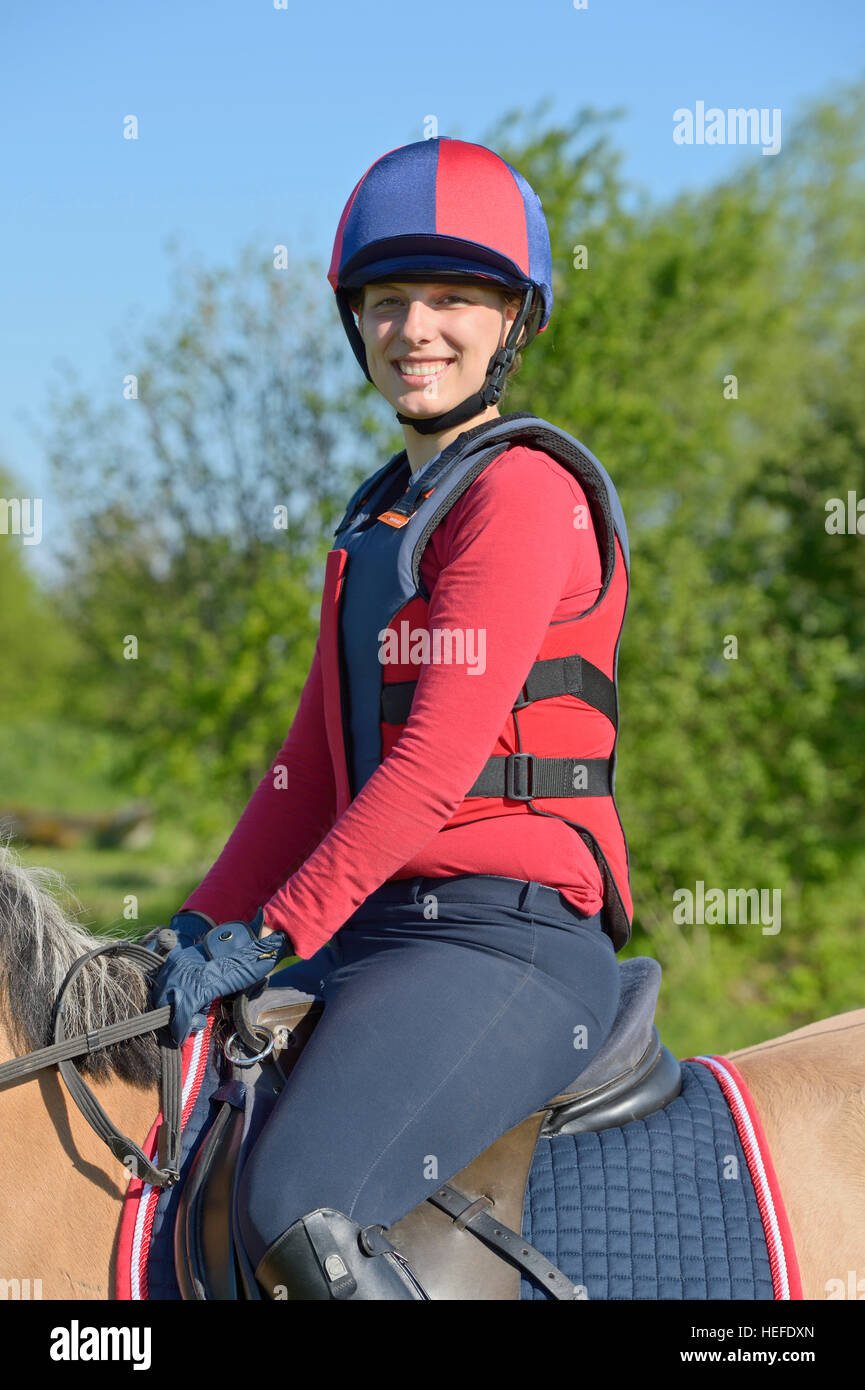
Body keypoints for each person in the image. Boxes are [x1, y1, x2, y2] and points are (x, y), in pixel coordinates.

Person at [153, 136, 634, 1300]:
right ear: (354, 321)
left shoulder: (524, 494)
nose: (414, 326)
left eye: (455, 297)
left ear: (514, 321)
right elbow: (311, 771)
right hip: (378, 936)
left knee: (288, 1203)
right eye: (386, 299)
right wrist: (188, 929)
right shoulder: (375, 525)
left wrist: (267, 936)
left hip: (502, 942)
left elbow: (429, 768)